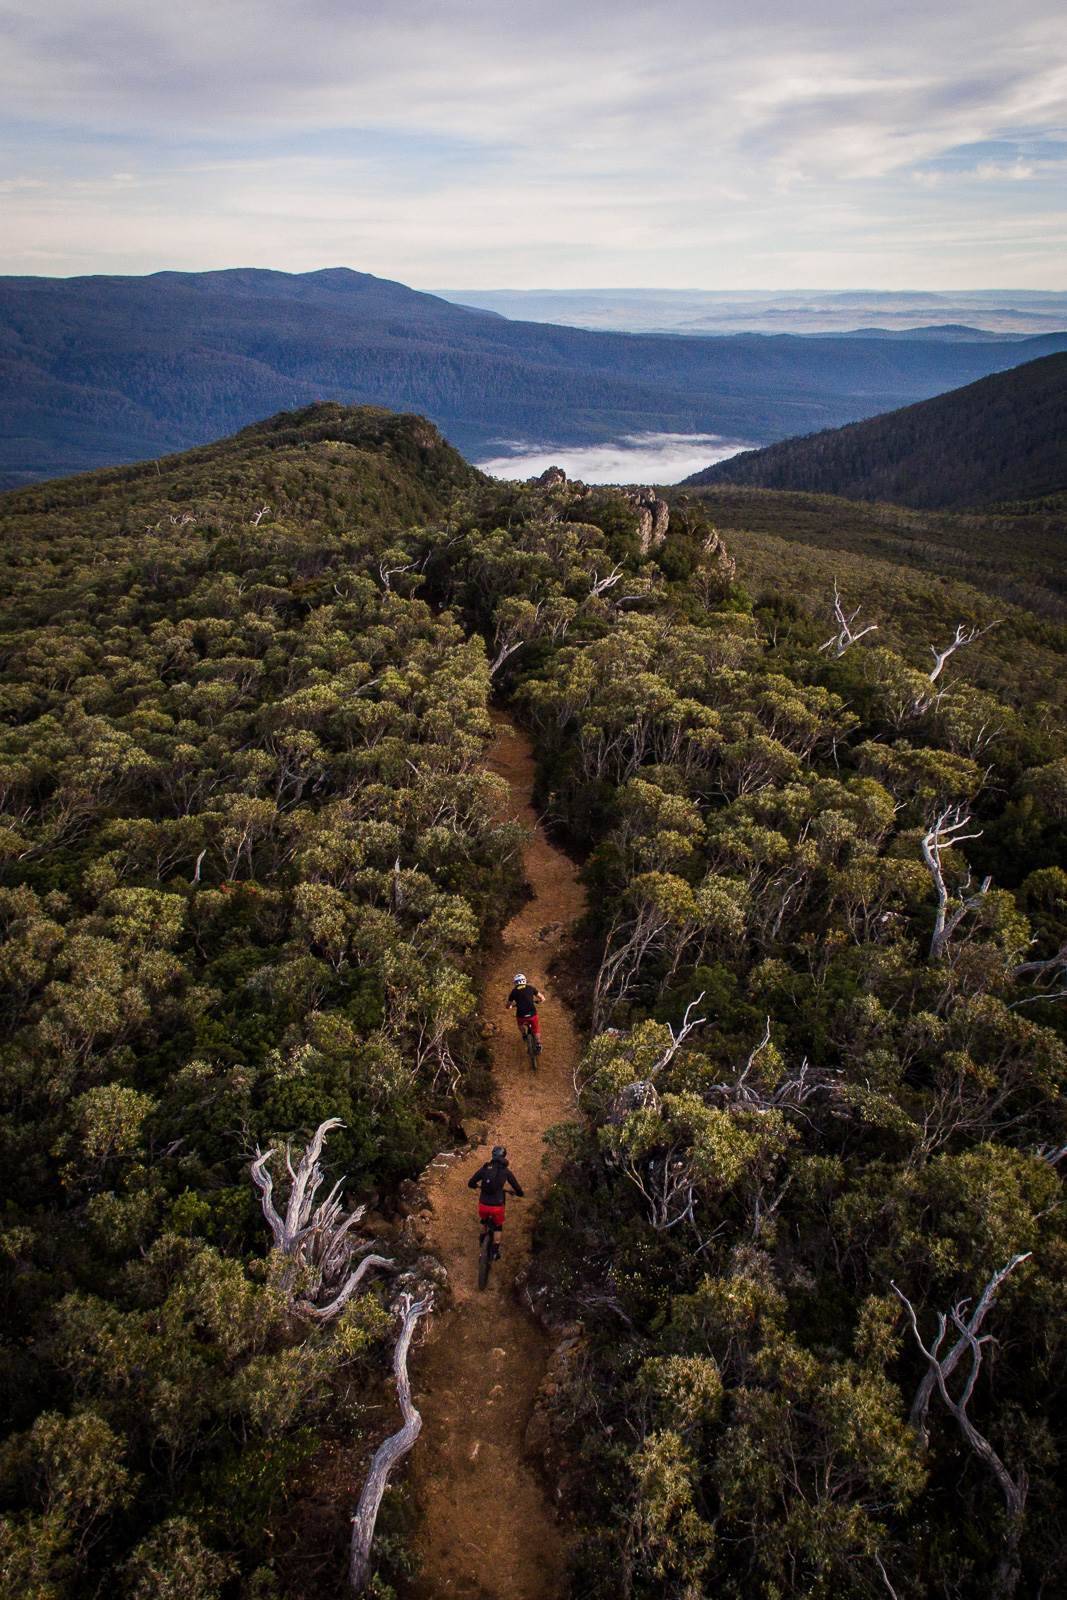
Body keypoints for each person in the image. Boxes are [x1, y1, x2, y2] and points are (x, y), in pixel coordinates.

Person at [467, 1145, 523, 1259]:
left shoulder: (485, 1168)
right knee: (498, 1226)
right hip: (497, 1207)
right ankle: (495, 1252)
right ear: (503, 1156)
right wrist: (519, 1193)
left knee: (484, 1219)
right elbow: (516, 1187)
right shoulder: (506, 1171)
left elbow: (471, 1182)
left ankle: (483, 1238)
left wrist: (476, 1186)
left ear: (492, 1155)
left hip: (483, 1205)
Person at [506, 971, 545, 1053]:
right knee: (536, 1029)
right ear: (524, 980)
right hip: (532, 1014)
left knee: (520, 1025)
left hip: (521, 1015)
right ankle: (538, 1044)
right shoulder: (531, 988)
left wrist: (510, 1006)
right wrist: (538, 1001)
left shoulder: (514, 991)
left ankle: (524, 1034)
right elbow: (542, 998)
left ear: (515, 982)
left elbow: (508, 1005)